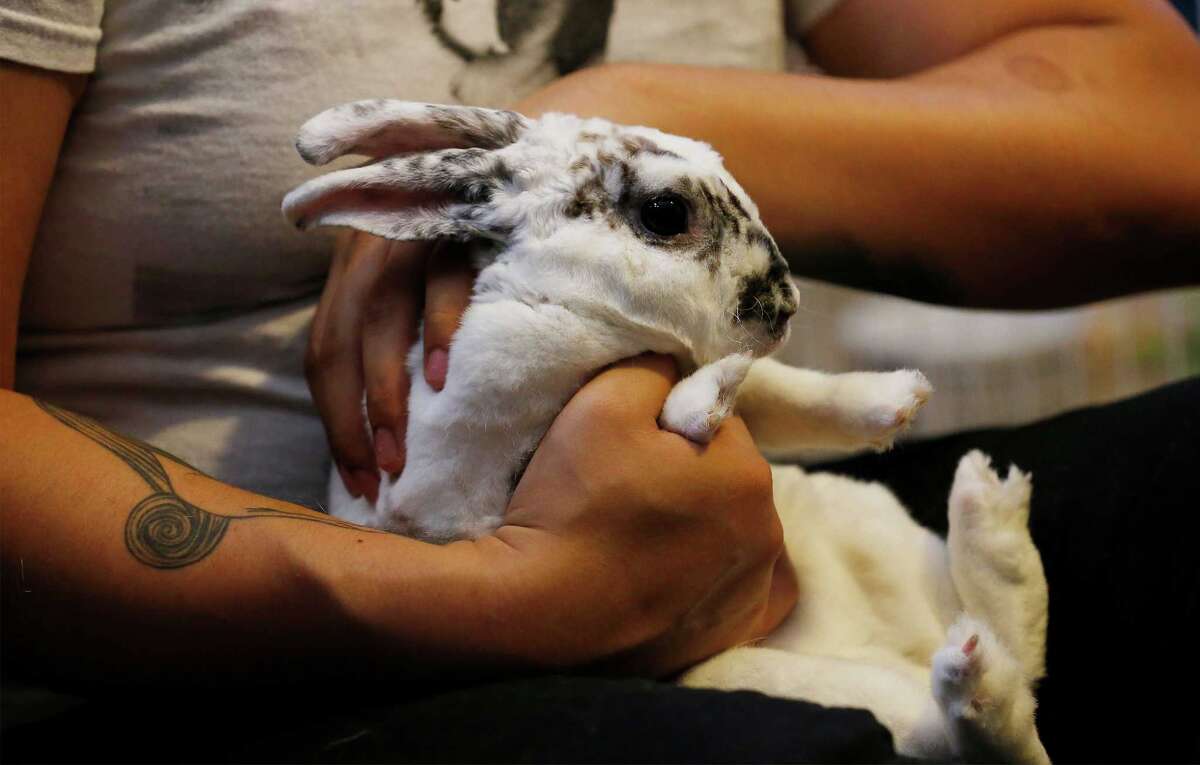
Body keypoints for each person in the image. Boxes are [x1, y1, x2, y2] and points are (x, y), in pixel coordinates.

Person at [2, 1, 1198, 761]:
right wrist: (509, 606)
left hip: (756, 524)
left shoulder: (614, 153)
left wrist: (624, 132)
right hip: (256, 653)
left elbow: (1162, 123)